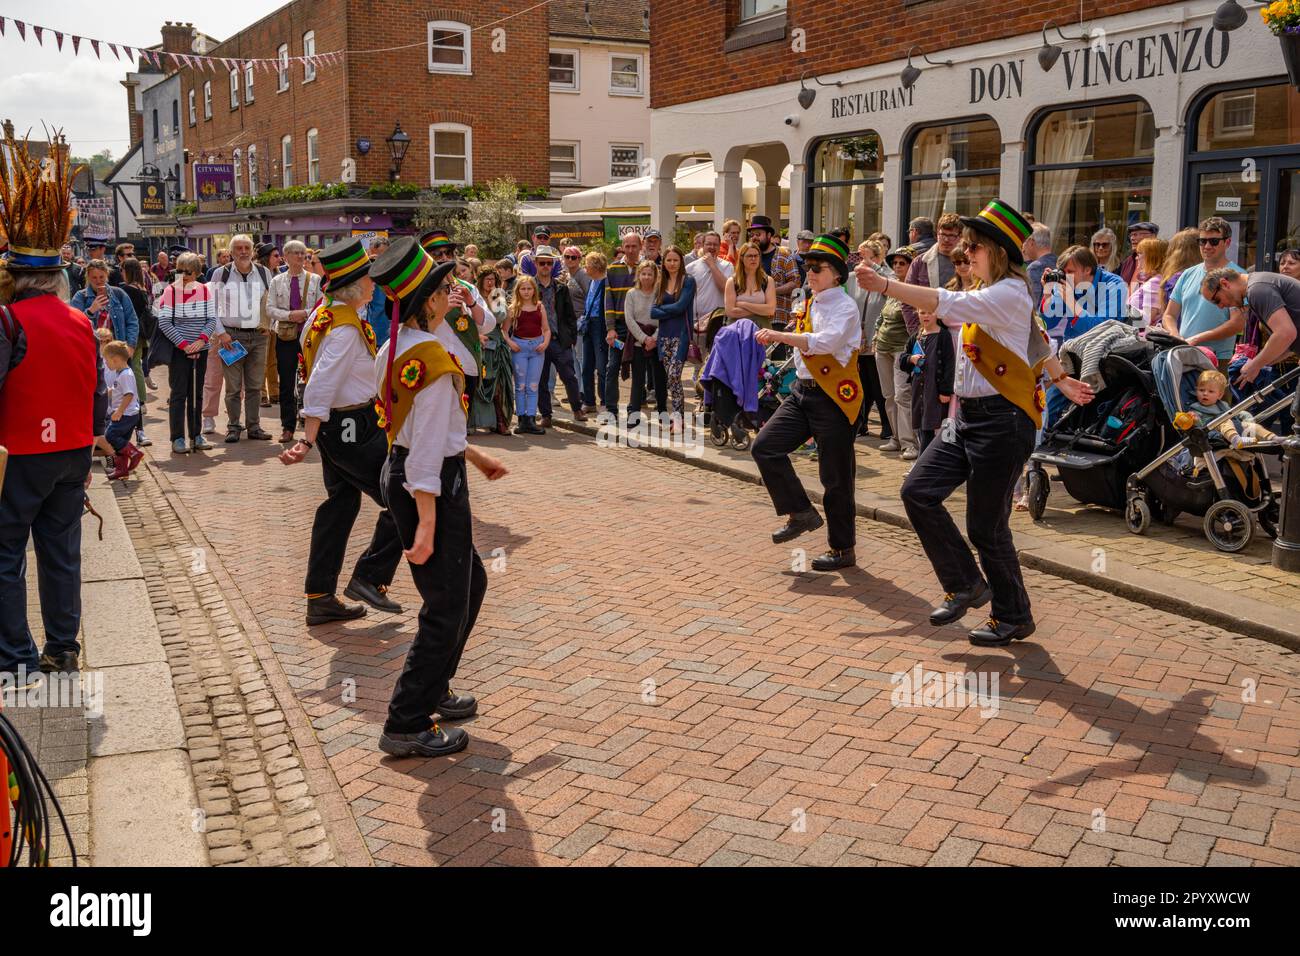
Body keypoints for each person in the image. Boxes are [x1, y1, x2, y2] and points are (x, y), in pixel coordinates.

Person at [855, 200, 1094, 646]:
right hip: (967, 418)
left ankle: (1013, 614)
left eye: (972, 249)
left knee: (986, 527)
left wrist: (886, 284)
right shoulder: (994, 293)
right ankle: (966, 583)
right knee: (917, 492)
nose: (964, 256)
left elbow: (946, 301)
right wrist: (1061, 379)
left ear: (996, 251)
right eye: (963, 251)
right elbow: (1038, 342)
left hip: (1002, 423)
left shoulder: (1006, 292)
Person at [369, 239, 509, 758]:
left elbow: (458, 381)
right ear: (428, 301)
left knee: (467, 585)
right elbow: (425, 448)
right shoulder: (428, 358)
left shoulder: (401, 345)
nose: (454, 293)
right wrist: (427, 523)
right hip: (426, 482)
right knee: (446, 604)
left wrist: (474, 457)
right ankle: (406, 720)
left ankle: (436, 687)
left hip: (415, 471)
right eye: (446, 289)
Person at [0, 133, 106, 681]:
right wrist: (94, 435)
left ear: (16, 279)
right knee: (61, 553)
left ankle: (15, 656)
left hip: (20, 453)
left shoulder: (9, 320)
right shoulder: (81, 320)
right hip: (72, 451)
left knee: (6, 555)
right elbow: (99, 391)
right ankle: (63, 648)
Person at [279, 237, 404, 627]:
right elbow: (320, 383)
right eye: (370, 278)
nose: (374, 284)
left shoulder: (324, 314)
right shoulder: (346, 328)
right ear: (355, 286)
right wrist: (307, 437)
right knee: (405, 497)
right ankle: (370, 577)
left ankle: (320, 596)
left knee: (340, 505)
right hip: (351, 426)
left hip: (342, 425)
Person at [751, 234, 863, 571]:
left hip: (833, 398)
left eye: (818, 267)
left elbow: (824, 343)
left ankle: (843, 549)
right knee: (765, 446)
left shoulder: (845, 306)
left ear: (838, 274)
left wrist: (781, 335)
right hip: (804, 391)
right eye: (809, 266)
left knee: (836, 478)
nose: (810, 272)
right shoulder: (810, 301)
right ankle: (800, 511)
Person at [1162, 217, 1246, 372]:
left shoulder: (1238, 276)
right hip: (1184, 353)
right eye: (1202, 241)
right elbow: (1169, 315)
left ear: (1227, 243)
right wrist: (1176, 337)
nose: (1207, 246)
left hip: (1217, 358)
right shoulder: (1188, 273)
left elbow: (1237, 323)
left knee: (1218, 396)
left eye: (1213, 241)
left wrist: (1197, 339)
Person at [155, 252, 219, 454]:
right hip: (179, 351)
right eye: (179, 270)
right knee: (179, 394)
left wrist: (200, 341)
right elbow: (164, 322)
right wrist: (184, 345)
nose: (183, 275)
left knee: (197, 394)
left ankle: (196, 434)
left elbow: (211, 319)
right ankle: (178, 438)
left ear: (198, 273)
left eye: (188, 272)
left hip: (201, 350)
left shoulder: (204, 291)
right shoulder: (170, 292)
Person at [1200, 267, 1299, 386]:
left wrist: (1256, 364)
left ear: (1225, 284)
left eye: (1217, 300)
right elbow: (1289, 343)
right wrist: (1259, 364)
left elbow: (1285, 333)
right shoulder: (1258, 284)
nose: (1220, 306)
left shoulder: (1257, 290)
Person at [266, 240, 324, 442]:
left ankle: (313, 423)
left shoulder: (315, 279)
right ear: (286, 257)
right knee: (286, 381)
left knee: (314, 379)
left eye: (303, 254)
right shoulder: (277, 281)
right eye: (296, 253)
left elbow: (322, 305)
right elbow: (270, 309)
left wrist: (305, 313)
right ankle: (287, 426)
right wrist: (291, 315)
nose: (301, 257)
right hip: (285, 336)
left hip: (310, 335)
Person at [532, 245, 586, 427]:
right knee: (541, 379)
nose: (545, 266)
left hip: (559, 340)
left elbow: (570, 315)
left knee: (569, 376)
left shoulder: (561, 288)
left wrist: (570, 338)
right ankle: (546, 415)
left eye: (549, 263)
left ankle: (577, 409)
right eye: (542, 263)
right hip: (538, 341)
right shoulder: (529, 286)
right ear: (536, 264)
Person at [844, 241, 891, 439]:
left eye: (868, 256)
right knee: (860, 386)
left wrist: (873, 266)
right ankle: (859, 424)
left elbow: (894, 281)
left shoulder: (883, 276)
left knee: (878, 386)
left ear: (878, 258)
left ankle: (887, 426)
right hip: (856, 340)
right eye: (860, 256)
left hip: (874, 338)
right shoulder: (853, 279)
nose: (862, 261)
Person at [875, 247, 918, 459]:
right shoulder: (892, 288)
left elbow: (916, 323)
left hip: (902, 349)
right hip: (882, 347)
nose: (898, 266)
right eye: (896, 263)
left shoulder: (915, 289)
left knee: (903, 395)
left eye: (903, 263)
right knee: (888, 395)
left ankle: (910, 442)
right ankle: (896, 437)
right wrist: (875, 336)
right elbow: (882, 316)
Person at [898, 310, 954, 454]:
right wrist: (911, 359)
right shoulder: (916, 336)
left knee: (932, 425)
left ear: (937, 315)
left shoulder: (943, 336)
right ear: (917, 314)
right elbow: (902, 361)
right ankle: (922, 461)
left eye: (930, 312)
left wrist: (945, 390)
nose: (926, 316)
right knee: (921, 425)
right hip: (919, 389)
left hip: (934, 389)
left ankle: (924, 462)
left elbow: (949, 364)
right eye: (923, 312)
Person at [651, 246, 695, 424]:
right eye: (668, 260)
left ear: (681, 261)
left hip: (682, 334)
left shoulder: (688, 281)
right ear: (664, 262)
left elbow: (681, 306)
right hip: (664, 336)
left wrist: (663, 310)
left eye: (675, 260)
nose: (672, 263)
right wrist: (667, 311)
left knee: (674, 375)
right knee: (671, 379)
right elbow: (652, 312)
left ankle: (678, 418)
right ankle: (678, 417)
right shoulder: (660, 281)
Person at [901, 212, 961, 336]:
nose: (946, 239)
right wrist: (916, 331)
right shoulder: (921, 262)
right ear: (936, 234)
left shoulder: (968, 262)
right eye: (942, 234)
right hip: (929, 331)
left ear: (960, 236)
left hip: (959, 331)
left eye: (951, 236)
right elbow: (907, 299)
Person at [471, 265, 514, 434]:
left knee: (499, 385)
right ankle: (473, 422)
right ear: (481, 280)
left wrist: (491, 299)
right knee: (477, 383)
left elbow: (500, 317)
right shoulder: (473, 294)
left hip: (496, 343)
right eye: (487, 279)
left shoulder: (498, 295)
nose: (490, 282)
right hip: (478, 341)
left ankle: (500, 422)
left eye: (493, 280)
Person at [623, 259, 668, 420]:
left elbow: (665, 317)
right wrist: (644, 339)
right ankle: (633, 413)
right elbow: (629, 319)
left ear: (655, 276)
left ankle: (662, 410)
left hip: (658, 339)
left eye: (650, 274)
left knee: (660, 378)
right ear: (638, 275)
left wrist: (654, 339)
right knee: (638, 379)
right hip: (638, 341)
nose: (647, 277)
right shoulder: (631, 294)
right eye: (644, 274)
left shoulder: (660, 294)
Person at [603, 232, 642, 415]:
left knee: (638, 369)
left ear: (640, 246)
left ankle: (634, 409)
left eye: (634, 246)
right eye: (627, 246)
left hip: (640, 327)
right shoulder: (612, 270)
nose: (631, 250)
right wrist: (610, 329)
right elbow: (608, 302)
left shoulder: (647, 269)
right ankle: (611, 409)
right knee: (612, 367)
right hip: (619, 327)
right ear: (622, 247)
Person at [119, 257, 156, 447]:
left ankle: (139, 401)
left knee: (133, 367)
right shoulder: (142, 289)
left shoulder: (126, 290)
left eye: (122, 269)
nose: (120, 272)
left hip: (131, 334)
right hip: (142, 334)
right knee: (138, 366)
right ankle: (142, 400)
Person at [1187, 368, 1277, 446]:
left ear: (1219, 395)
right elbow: (1199, 425)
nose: (1205, 393)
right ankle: (1236, 440)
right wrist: (1194, 419)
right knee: (1224, 421)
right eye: (1201, 390)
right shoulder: (1196, 408)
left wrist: (1244, 417)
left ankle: (1273, 438)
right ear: (1196, 390)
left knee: (1252, 425)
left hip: (1233, 427)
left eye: (1211, 391)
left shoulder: (1222, 405)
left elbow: (1233, 413)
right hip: (1212, 431)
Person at [505, 274, 548, 434]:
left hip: (536, 348)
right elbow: (504, 331)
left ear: (534, 290)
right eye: (523, 288)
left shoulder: (539, 307)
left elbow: (547, 329)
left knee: (533, 385)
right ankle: (521, 418)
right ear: (518, 290)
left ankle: (531, 418)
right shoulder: (513, 308)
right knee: (520, 385)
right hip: (520, 348)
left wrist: (544, 343)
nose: (526, 291)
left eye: (529, 288)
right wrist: (511, 343)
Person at [70, 259, 139, 353]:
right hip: (92, 352)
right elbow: (73, 325)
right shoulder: (81, 296)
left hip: (117, 351)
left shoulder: (119, 294)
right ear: (88, 277)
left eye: (101, 277)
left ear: (107, 275)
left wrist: (130, 346)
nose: (98, 281)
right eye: (94, 277)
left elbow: (132, 321)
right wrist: (90, 311)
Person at [744, 216, 799, 328]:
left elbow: (795, 283)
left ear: (769, 235)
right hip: (751, 317)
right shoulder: (747, 256)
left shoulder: (784, 254)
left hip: (777, 316)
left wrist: (771, 291)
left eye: (758, 234)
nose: (754, 238)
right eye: (752, 235)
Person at [101, 340, 144, 480]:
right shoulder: (121, 373)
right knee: (120, 441)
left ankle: (133, 453)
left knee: (110, 436)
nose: (106, 364)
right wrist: (108, 391)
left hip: (126, 414)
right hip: (128, 414)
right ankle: (122, 469)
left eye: (107, 361)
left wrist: (119, 411)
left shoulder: (125, 374)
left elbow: (129, 394)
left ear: (115, 359)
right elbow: (119, 390)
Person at [578, 251, 609, 413]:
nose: (585, 268)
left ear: (596, 267)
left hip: (601, 325)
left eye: (587, 265)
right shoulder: (591, 282)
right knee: (587, 365)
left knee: (602, 365)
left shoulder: (605, 283)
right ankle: (589, 401)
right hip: (589, 324)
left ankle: (604, 401)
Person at [725, 241, 777, 333]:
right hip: (737, 332)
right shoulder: (732, 282)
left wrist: (743, 304)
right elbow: (730, 312)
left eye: (756, 256)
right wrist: (761, 310)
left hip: (762, 331)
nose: (753, 259)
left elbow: (771, 310)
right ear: (741, 258)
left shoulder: (767, 281)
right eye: (749, 256)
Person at [1128, 237, 1168, 327]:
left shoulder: (1154, 282)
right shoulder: (1157, 280)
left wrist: (1120, 310)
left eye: (1140, 254)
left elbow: (1146, 320)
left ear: (1152, 257)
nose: (1136, 258)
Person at [1022, 222, 1057, 313]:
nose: (1023, 248)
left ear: (1031, 242)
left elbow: (1034, 306)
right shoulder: (1060, 262)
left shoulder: (1034, 268)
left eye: (1024, 242)